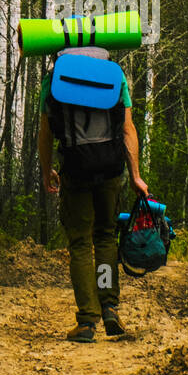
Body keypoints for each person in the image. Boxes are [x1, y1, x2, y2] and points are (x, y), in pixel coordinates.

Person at [38, 46, 147, 343]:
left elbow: (45, 132)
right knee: (105, 236)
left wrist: (48, 169)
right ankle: (109, 307)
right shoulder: (115, 74)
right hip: (111, 168)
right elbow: (127, 129)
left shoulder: (53, 78)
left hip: (76, 169)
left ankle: (87, 322)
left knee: (81, 242)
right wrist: (135, 175)